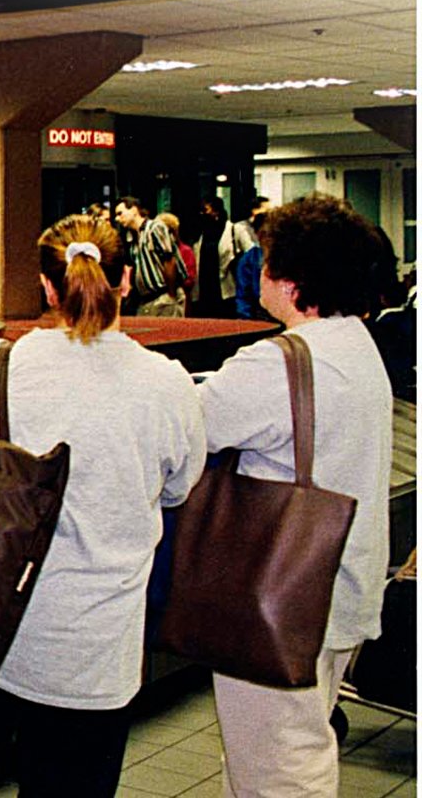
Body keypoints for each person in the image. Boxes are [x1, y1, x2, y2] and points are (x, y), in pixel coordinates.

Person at [0, 214, 205, 798]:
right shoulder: (166, 383)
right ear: (125, 283)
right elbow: (179, 487)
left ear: (48, 288)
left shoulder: (1, 364)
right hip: (92, 651)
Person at [198, 194, 391, 796]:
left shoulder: (280, 362)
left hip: (278, 599)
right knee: (302, 745)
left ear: (290, 278)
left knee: (276, 765)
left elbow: (189, 427)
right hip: (338, 588)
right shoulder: (356, 346)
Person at [113, 197, 183, 317]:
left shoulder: (155, 228)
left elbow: (169, 260)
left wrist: (170, 294)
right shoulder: (131, 236)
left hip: (162, 294)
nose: (117, 219)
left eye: (120, 213)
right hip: (146, 299)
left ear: (134, 210)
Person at [190, 196, 235, 318]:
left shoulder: (233, 230)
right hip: (204, 290)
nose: (202, 214)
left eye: (205, 210)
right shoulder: (202, 233)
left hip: (225, 291)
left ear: (216, 211)